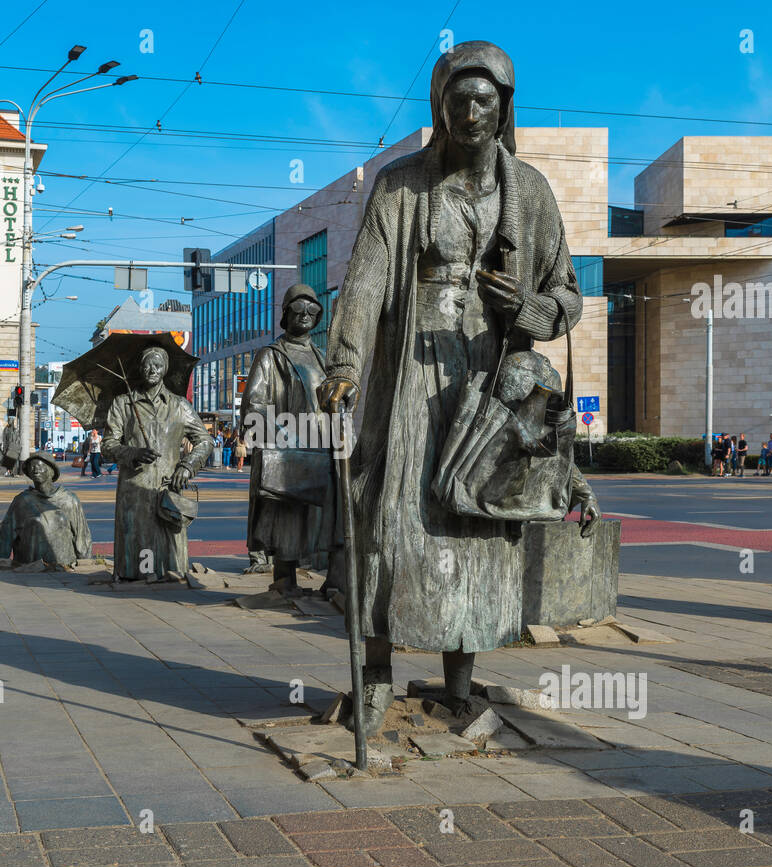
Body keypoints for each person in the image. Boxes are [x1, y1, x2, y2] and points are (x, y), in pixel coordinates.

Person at [316, 41, 599, 729]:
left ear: (505, 109)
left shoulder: (530, 191)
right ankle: (375, 676)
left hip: (490, 378)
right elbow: (365, 282)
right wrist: (345, 365)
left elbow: (568, 294)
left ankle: (461, 685)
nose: (471, 112)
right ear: (439, 106)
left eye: (485, 100)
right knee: (391, 521)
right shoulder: (400, 184)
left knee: (476, 521)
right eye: (458, 99)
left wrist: (529, 309)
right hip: (410, 377)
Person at [241, 283, 340, 595]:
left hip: (321, 447)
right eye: (298, 307)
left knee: (326, 516)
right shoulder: (271, 356)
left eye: (312, 308)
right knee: (288, 517)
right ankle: (285, 580)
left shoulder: (322, 357)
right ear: (286, 314)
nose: (305, 313)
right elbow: (253, 406)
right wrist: (286, 435)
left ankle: (332, 581)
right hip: (288, 451)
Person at [101, 345, 212, 580]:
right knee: (137, 541)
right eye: (147, 365)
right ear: (140, 368)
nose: (152, 370)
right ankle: (138, 576)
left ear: (165, 369)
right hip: (134, 488)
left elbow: (204, 441)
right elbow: (108, 445)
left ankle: (166, 576)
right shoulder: (123, 403)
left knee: (169, 543)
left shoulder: (180, 405)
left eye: (158, 365)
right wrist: (131, 452)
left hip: (167, 487)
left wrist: (187, 466)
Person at [0, 453, 93, 567]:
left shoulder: (69, 500)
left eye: (40, 466)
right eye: (32, 467)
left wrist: (85, 564)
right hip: (30, 569)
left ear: (51, 471)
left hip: (64, 567)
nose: (35, 470)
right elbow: (5, 535)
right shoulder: (23, 501)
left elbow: (82, 536)